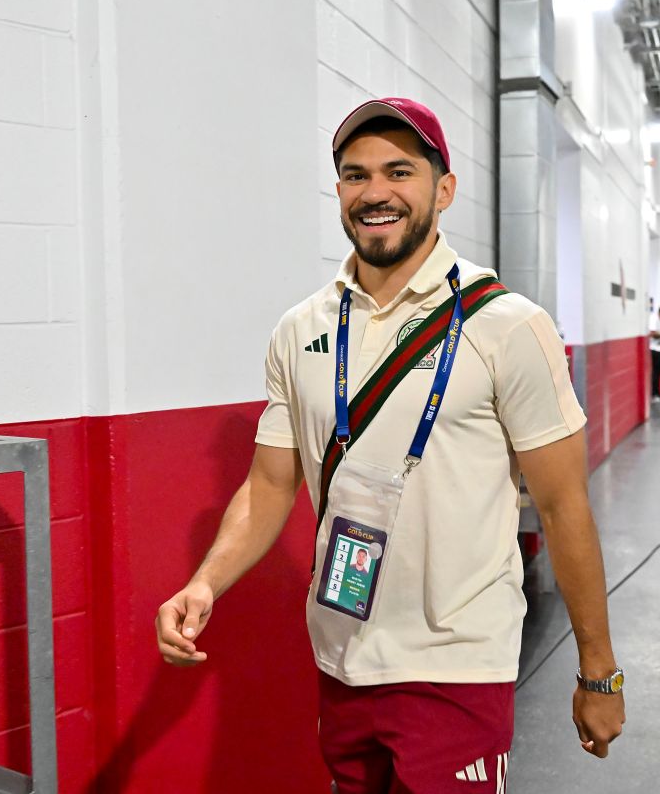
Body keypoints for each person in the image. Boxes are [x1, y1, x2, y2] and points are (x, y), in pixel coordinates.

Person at [155, 97, 625, 790]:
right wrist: (205, 581)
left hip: (457, 665)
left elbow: (562, 507)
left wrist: (598, 670)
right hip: (341, 654)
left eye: (398, 172)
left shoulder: (509, 327)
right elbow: (269, 484)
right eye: (355, 175)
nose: (375, 192)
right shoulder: (301, 328)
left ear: (444, 189)